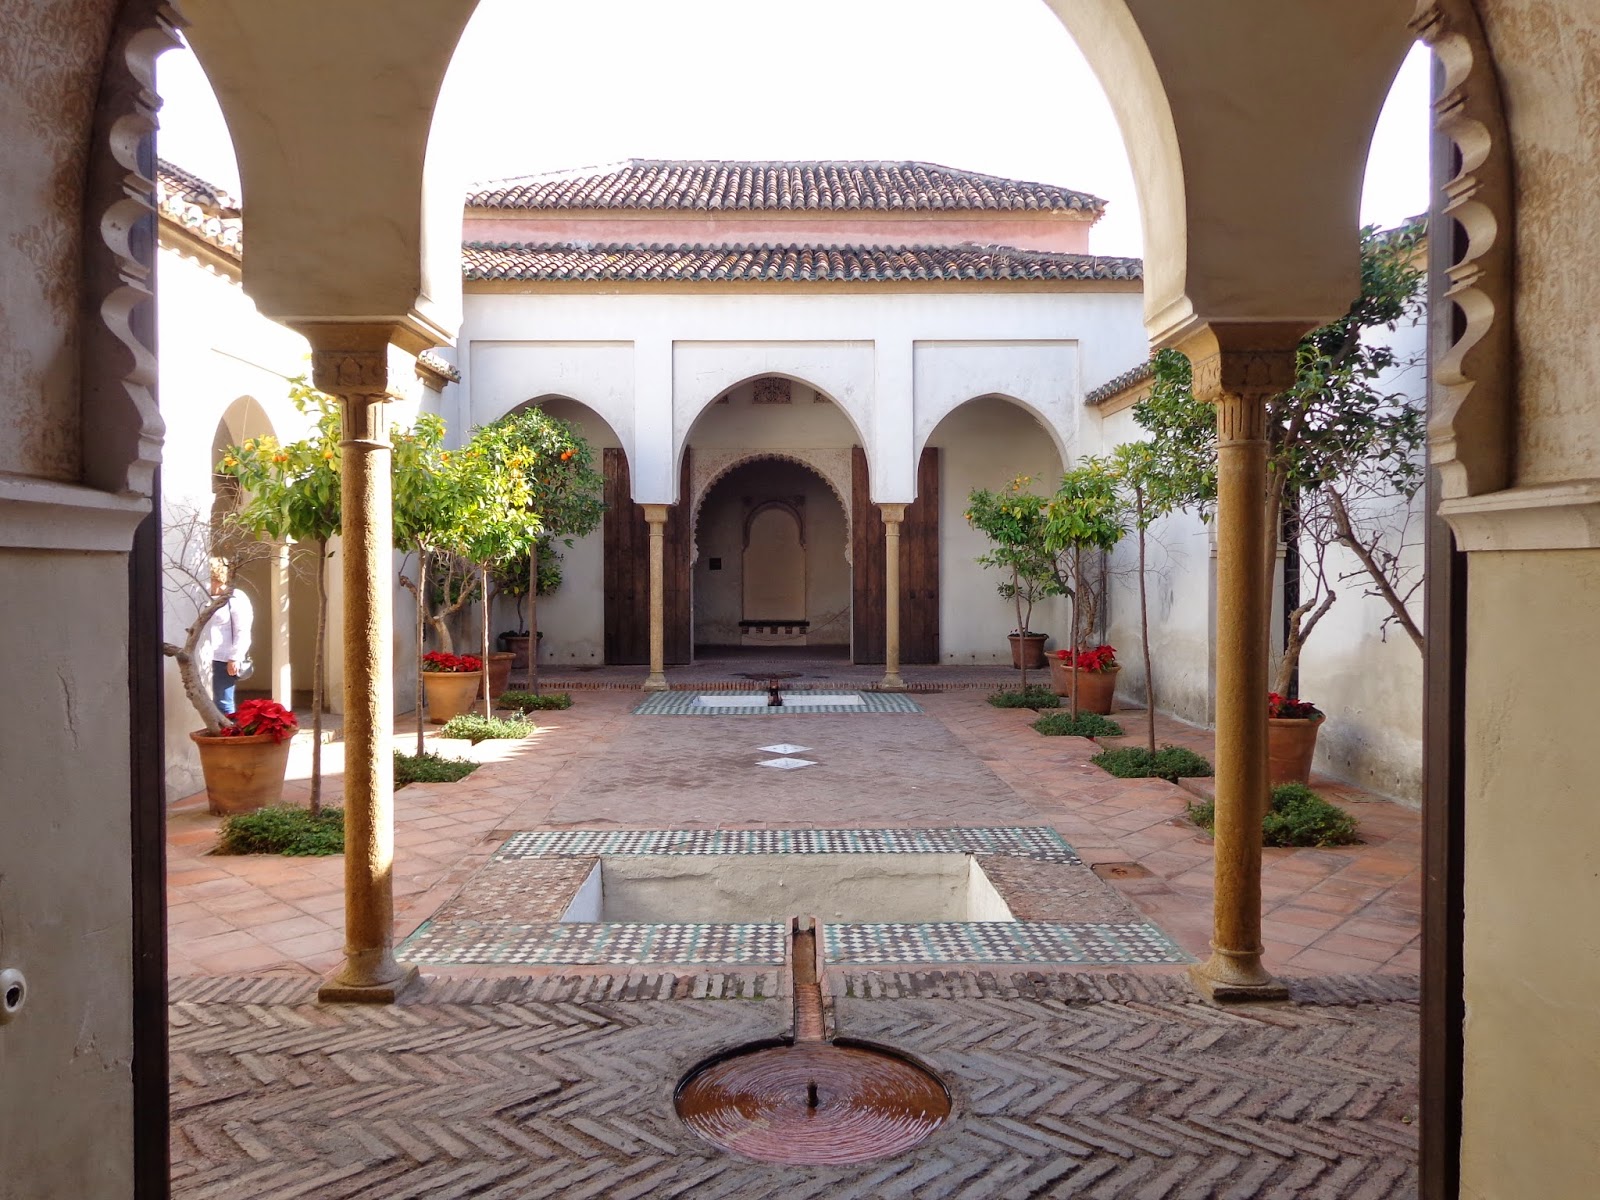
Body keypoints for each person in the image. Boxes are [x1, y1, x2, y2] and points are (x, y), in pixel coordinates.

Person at [199, 558, 253, 717]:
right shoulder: (201, 596)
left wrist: (234, 657)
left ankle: (229, 737)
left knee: (223, 704)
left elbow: (242, 630)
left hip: (222, 658)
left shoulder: (235, 597)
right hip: (202, 658)